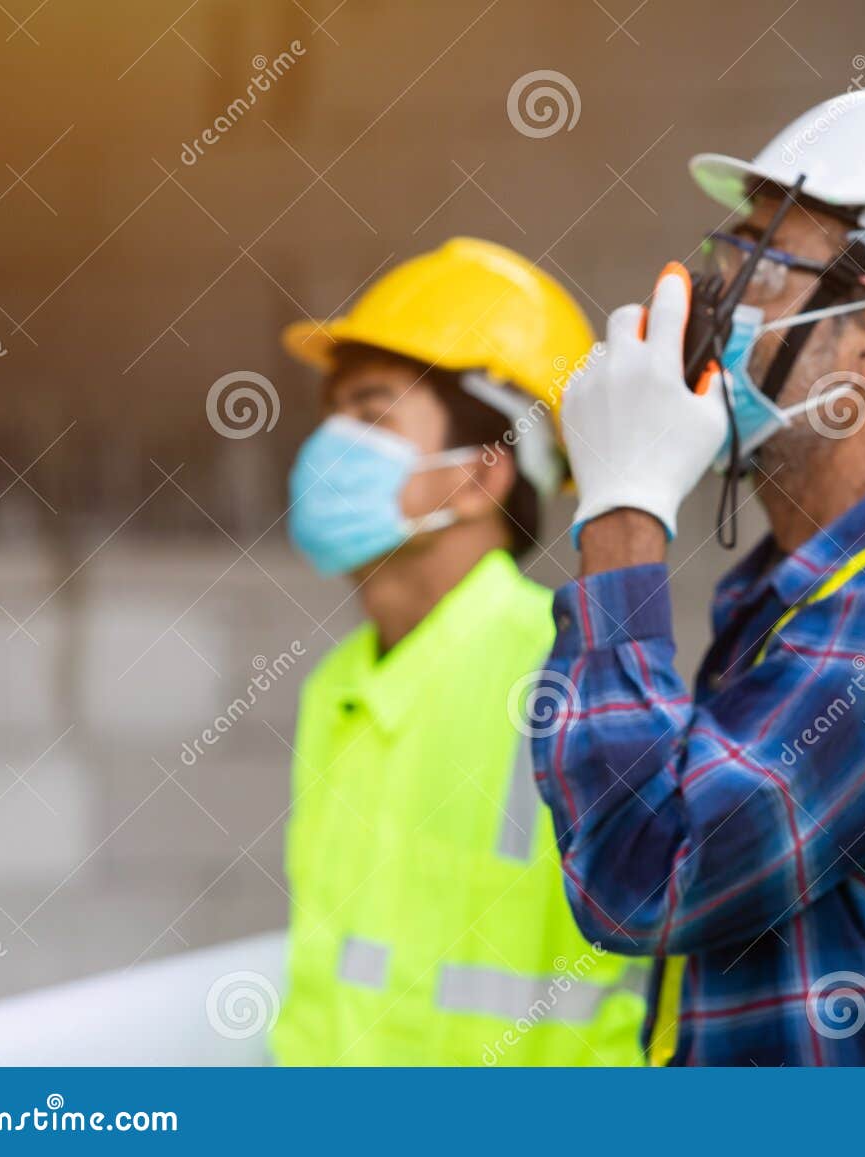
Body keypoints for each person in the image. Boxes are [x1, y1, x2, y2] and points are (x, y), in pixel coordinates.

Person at [531, 79, 865, 1066]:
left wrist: (626, 506)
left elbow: (640, 873)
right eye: (725, 258)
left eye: (759, 272)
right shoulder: (809, 589)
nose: (714, 305)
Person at [270, 238, 646, 1066]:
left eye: (370, 413)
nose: (331, 444)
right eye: (331, 412)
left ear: (480, 476)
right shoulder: (340, 684)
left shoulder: (574, 671)